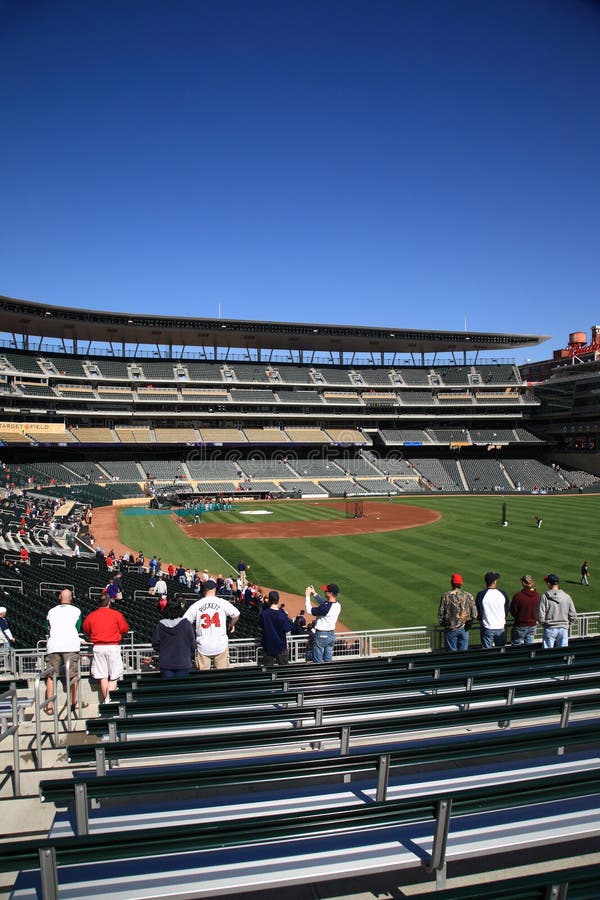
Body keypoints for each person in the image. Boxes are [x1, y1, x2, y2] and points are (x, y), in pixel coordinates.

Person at [184, 579, 239, 670]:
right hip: (220, 644)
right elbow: (236, 614)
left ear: (204, 589)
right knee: (222, 677)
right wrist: (231, 624)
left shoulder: (197, 605)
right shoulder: (222, 602)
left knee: (204, 678)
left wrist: (194, 630)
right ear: (215, 589)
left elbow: (185, 622)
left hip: (203, 645)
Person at [82, 595, 130, 702]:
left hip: (98, 647)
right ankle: (108, 700)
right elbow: (125, 629)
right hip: (112, 646)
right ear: (109, 602)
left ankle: (107, 701)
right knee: (114, 676)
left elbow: (86, 629)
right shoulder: (116, 614)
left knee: (103, 676)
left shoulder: (92, 615)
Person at [45, 588, 83, 714]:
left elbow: (47, 627)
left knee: (50, 676)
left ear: (60, 598)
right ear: (71, 598)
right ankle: (74, 702)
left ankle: (49, 705)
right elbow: (77, 628)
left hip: (53, 645)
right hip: (70, 645)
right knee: (73, 675)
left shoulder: (51, 611)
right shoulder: (76, 610)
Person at [152, 598, 196, 678]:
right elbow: (192, 643)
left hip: (166, 663)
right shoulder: (186, 624)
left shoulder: (160, 625)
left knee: (168, 689)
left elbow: (155, 644)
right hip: (183, 662)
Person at [438, 573, 477, 652]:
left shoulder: (446, 596)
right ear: (461, 583)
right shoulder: (468, 595)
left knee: (451, 654)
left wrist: (443, 624)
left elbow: (441, 614)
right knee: (463, 654)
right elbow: (475, 614)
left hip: (450, 629)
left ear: (451, 583)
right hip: (464, 628)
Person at [304, 583, 341, 663]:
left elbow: (309, 610)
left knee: (318, 661)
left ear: (330, 593)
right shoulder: (338, 605)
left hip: (321, 636)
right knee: (328, 661)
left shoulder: (325, 608)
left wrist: (307, 596)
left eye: (326, 591)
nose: (325, 592)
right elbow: (324, 603)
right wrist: (314, 593)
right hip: (331, 635)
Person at [538, 574, 577, 649]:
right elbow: (573, 615)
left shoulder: (545, 596)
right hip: (563, 628)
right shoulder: (566, 596)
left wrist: (544, 624)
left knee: (547, 654)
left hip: (550, 627)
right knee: (562, 653)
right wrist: (567, 624)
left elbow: (540, 614)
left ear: (549, 584)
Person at [476, 572, 509, 649]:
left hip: (487, 627)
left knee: (486, 652)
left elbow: (479, 612)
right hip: (500, 627)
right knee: (501, 651)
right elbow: (506, 610)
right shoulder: (503, 593)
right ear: (494, 581)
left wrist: (481, 620)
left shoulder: (481, 594)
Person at [259, 590, 292, 666]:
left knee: (268, 672)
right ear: (278, 600)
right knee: (283, 671)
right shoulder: (282, 613)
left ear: (269, 600)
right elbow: (287, 629)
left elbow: (261, 626)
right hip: (281, 646)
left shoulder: (265, 613)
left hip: (268, 646)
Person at [509, 575, 540, 646]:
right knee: (529, 646)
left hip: (520, 625)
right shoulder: (537, 596)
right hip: (533, 625)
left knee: (516, 646)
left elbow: (513, 611)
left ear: (523, 583)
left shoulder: (518, 596)